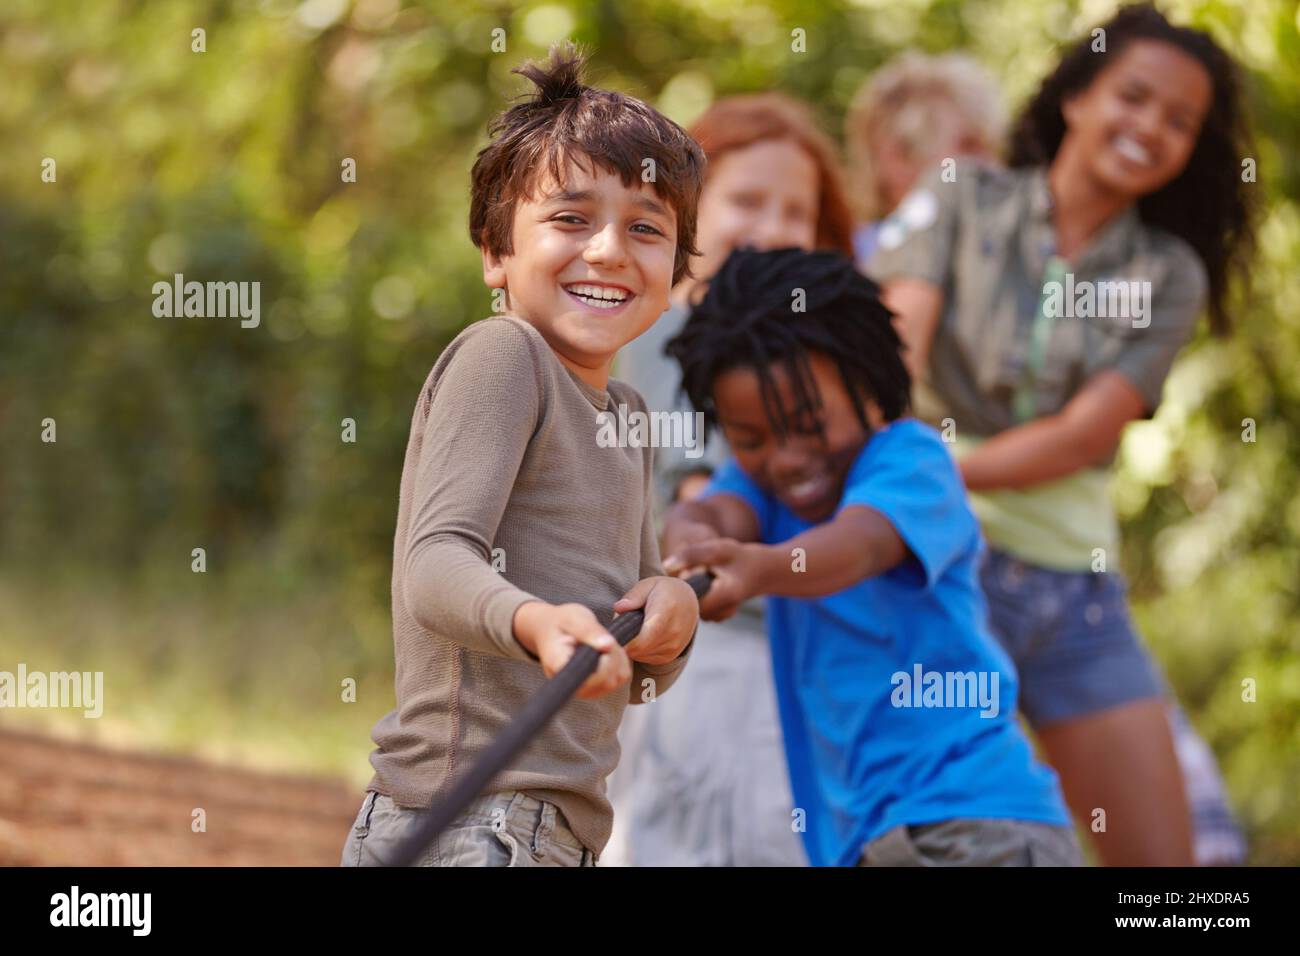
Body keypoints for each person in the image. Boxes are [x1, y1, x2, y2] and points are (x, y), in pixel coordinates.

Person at [868, 4, 1257, 865]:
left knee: (1171, 878)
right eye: (1134, 97)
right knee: (933, 842)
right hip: (944, 571)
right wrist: (915, 493)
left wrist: (940, 470)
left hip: (1074, 592)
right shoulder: (958, 198)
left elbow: (1084, 437)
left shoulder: (1168, 273)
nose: (1150, 127)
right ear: (1078, 96)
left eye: (1179, 120)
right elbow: (891, 354)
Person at [340, 44, 703, 867]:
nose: (610, 250)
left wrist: (668, 625)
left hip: (550, 830)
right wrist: (534, 621)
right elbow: (432, 564)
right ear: (495, 251)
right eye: (571, 219)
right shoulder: (505, 357)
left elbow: (620, 663)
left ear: (675, 270)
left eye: (646, 229)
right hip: (471, 819)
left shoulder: (628, 416)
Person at [660, 246, 1080, 867]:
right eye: (750, 440)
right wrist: (690, 546)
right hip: (863, 845)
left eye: (809, 424)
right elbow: (708, 513)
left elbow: (857, 545)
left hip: (975, 825)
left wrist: (757, 569)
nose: (786, 459)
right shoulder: (762, 492)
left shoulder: (911, 462)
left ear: (871, 385)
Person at [606, 93, 852, 866]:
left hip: (783, 650)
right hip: (711, 655)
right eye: (746, 200)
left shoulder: (801, 356)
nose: (771, 227)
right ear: (689, 211)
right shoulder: (678, 331)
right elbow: (696, 496)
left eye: (796, 212)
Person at [845, 52, 1005, 267]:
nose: (991, 165)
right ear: (898, 157)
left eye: (991, 149)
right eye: (969, 147)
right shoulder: (852, 267)